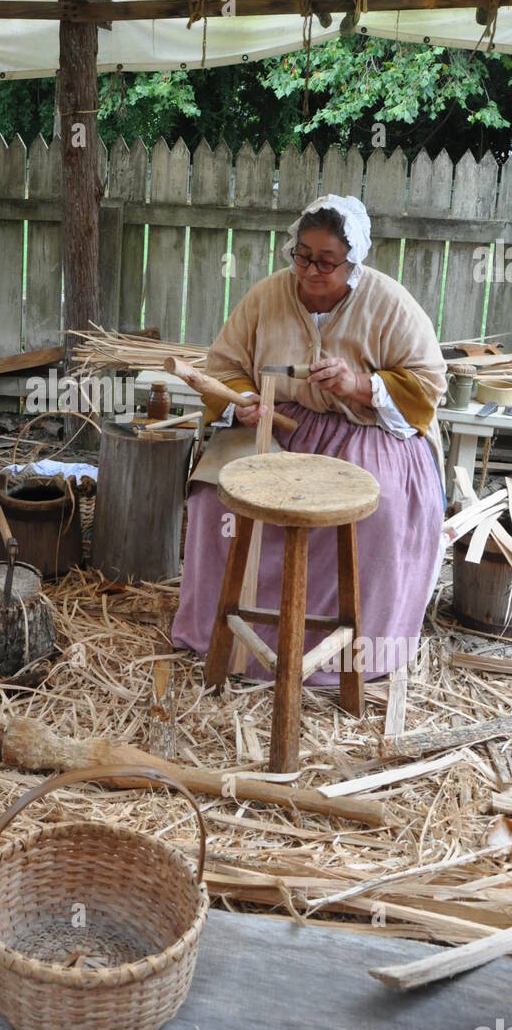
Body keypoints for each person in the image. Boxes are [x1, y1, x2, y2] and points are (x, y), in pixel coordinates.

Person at [172, 194, 447, 682]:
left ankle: (340, 656)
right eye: (303, 256)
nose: (311, 271)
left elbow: (428, 387)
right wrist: (245, 402)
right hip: (276, 422)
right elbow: (225, 366)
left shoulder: (389, 303)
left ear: (353, 262)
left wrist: (356, 384)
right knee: (216, 502)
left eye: (326, 262)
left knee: (374, 514)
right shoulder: (267, 295)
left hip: (364, 428)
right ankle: (232, 643)